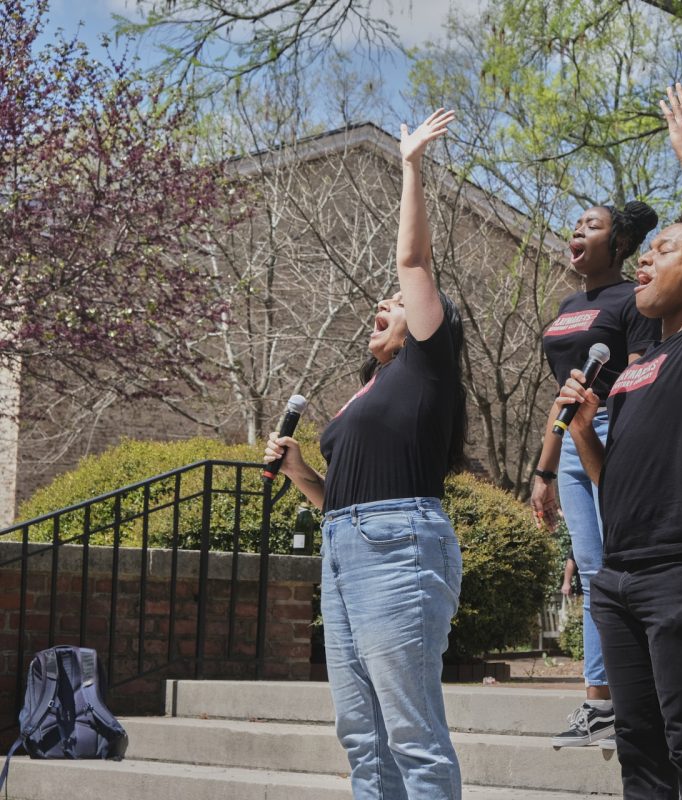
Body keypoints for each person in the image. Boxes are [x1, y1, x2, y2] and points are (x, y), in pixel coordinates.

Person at [557, 84, 682, 799]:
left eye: (662, 250)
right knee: (639, 756)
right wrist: (584, 438)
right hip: (620, 579)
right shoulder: (637, 363)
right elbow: (621, 484)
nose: (643, 260)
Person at [263, 108, 469, 799]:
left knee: (411, 733)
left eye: (397, 302)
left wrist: (410, 164)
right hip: (344, 546)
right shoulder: (369, 389)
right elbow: (342, 495)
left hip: (400, 546)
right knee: (361, 733)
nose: (385, 304)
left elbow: (412, 260)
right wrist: (300, 475)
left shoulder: (428, 369)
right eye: (382, 303)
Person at [531, 199, 660, 748]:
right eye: (576, 225)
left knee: (622, 564)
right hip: (571, 431)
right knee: (591, 571)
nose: (578, 231)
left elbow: (641, 377)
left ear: (618, 244)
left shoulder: (634, 297)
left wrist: (624, 440)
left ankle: (639, 695)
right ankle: (599, 704)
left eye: (593, 226)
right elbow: (560, 393)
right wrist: (543, 470)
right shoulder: (565, 306)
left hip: (615, 429)